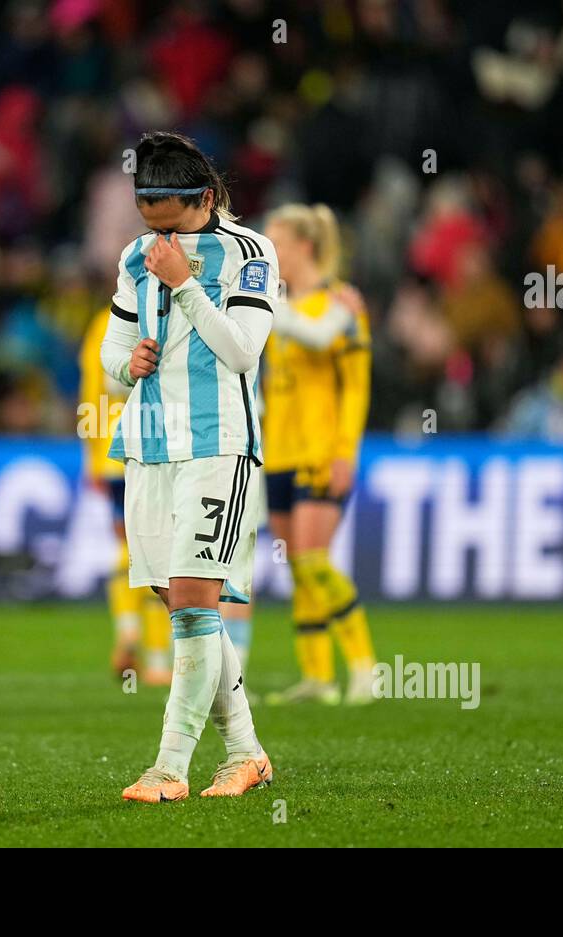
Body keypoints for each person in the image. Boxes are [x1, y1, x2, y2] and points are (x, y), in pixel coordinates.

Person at [101, 131, 276, 802]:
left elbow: (240, 352)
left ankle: (168, 766)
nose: (160, 243)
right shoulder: (133, 256)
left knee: (196, 602)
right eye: (151, 227)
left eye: (172, 228)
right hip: (148, 446)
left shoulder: (249, 252)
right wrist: (127, 364)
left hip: (218, 445)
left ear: (205, 199)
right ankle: (248, 755)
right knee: (178, 600)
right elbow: (112, 356)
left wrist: (186, 287)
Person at [262, 203, 377, 706]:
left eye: (276, 242)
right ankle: (317, 677)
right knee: (296, 566)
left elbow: (355, 387)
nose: (269, 251)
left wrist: (344, 451)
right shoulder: (274, 303)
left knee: (312, 559)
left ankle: (365, 667)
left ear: (303, 246)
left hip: (320, 450)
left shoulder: (342, 307)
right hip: (278, 452)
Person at [78, 312, 171, 686]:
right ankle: (160, 658)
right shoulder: (165, 315)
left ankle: (128, 630)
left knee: (127, 544)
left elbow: (91, 391)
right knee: (158, 551)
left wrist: (93, 457)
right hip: (156, 445)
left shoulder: (102, 322)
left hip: (112, 450)